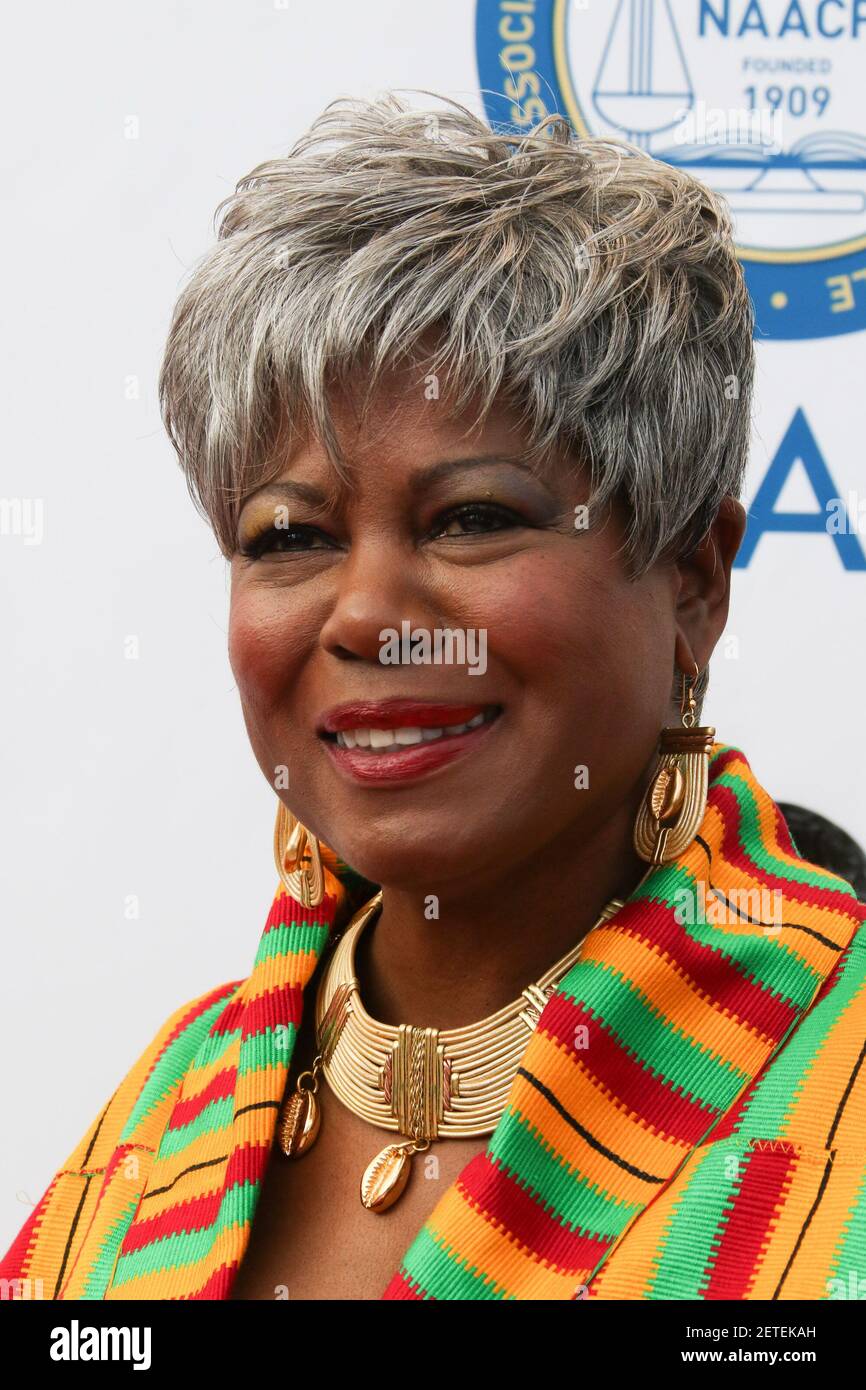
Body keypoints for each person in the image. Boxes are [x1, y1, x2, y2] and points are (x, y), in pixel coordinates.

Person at [3, 92, 864, 1303]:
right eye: (287, 535)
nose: (363, 617)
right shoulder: (168, 1110)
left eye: (470, 519)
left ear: (690, 577)